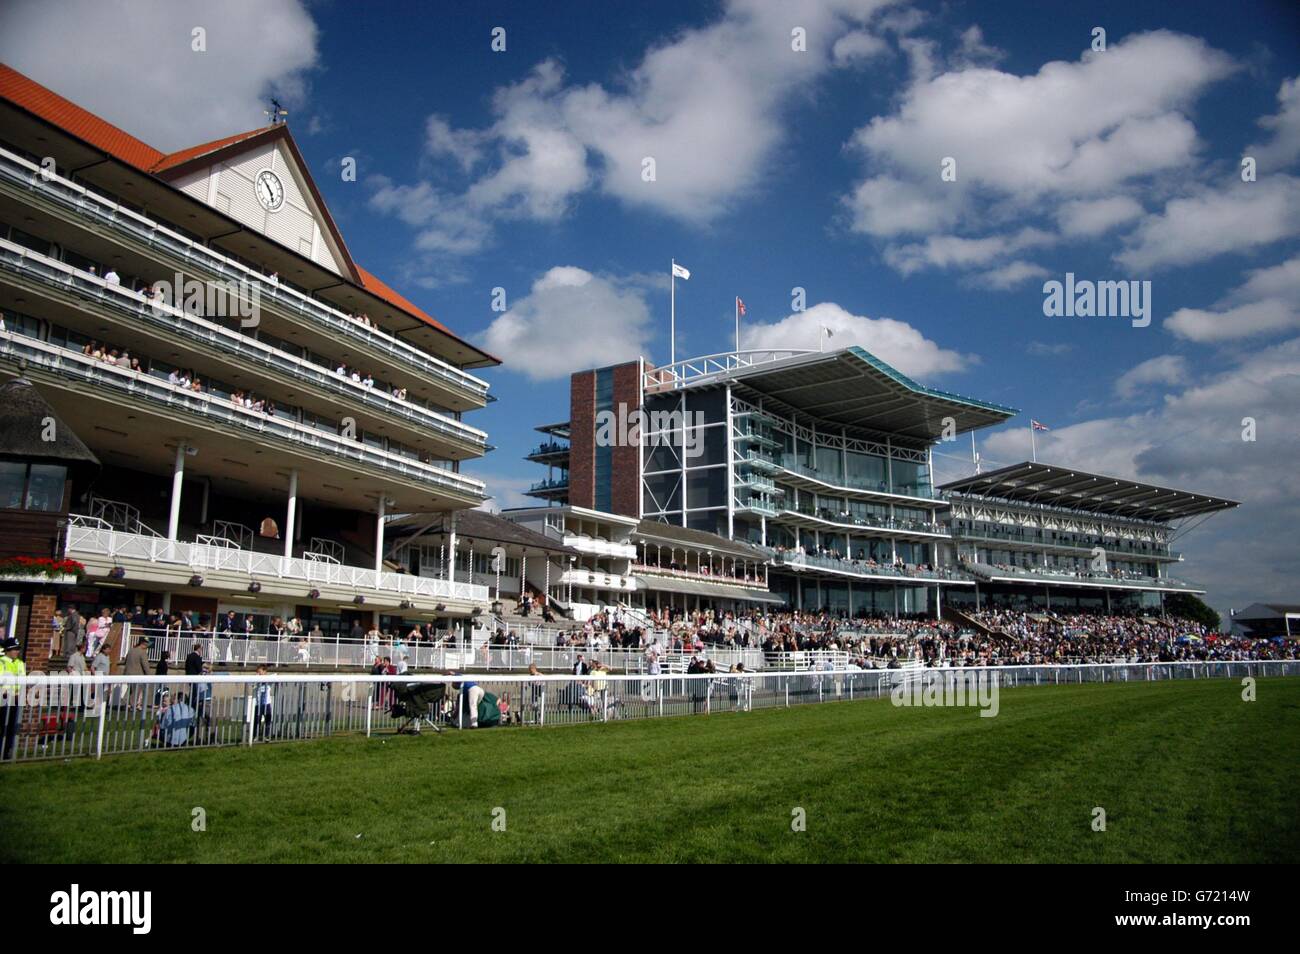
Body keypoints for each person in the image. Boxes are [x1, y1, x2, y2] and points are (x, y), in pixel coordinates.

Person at [0, 638, 25, 760]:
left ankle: (6, 752)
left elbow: (23, 680)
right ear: (8, 650)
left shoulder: (20, 663)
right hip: (3, 699)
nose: (17, 652)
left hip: (15, 700)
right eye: (14, 649)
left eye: (17, 649)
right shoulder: (2, 662)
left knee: (11, 727)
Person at [124, 635, 149, 709]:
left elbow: (125, 661)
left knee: (130, 690)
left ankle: (127, 704)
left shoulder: (131, 650)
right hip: (138, 675)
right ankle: (133, 705)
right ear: (143, 643)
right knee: (136, 691)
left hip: (128, 674)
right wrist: (149, 675)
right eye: (146, 643)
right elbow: (145, 666)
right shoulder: (142, 652)